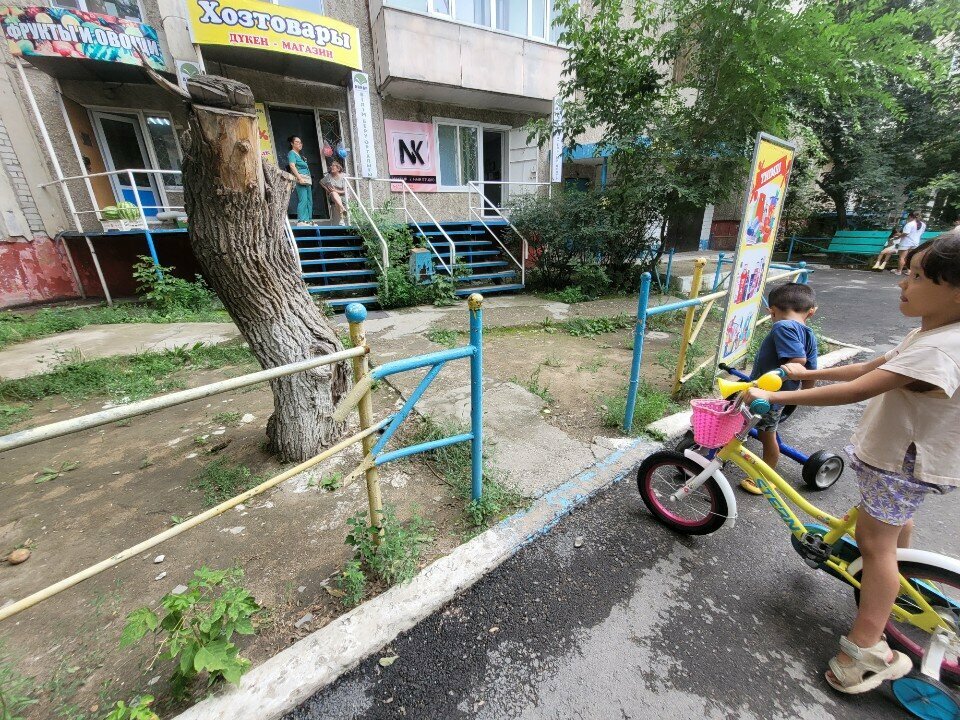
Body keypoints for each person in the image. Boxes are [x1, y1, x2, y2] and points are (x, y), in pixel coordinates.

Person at [746, 231, 960, 695]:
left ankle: (865, 652)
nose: (904, 282)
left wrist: (772, 394)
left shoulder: (940, 348)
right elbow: (866, 368)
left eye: (919, 276)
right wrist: (805, 373)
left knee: (874, 544)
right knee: (893, 535)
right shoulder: (932, 332)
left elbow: (861, 388)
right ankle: (904, 584)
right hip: (910, 462)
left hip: (902, 462)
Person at [738, 283, 818, 494]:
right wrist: (803, 395)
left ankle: (765, 477)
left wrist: (787, 370)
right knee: (758, 425)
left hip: (768, 395)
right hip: (778, 395)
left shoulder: (782, 326)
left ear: (771, 310)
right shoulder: (809, 334)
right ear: (811, 312)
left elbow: (799, 360)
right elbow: (811, 371)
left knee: (767, 434)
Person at [890, 211, 926, 275]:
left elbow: (906, 233)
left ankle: (899, 271)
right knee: (910, 257)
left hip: (906, 242)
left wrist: (898, 237)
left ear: (910, 217)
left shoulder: (910, 224)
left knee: (902, 257)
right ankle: (909, 271)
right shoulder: (923, 224)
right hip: (915, 243)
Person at [287, 136, 313, 224]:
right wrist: (299, 178)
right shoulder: (292, 153)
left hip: (307, 179)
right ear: (292, 143)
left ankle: (309, 220)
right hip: (301, 178)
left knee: (309, 199)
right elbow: (292, 166)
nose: (299, 144)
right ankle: (302, 220)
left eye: (300, 142)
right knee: (303, 199)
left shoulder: (301, 155)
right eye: (297, 142)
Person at [320, 161, 348, 225]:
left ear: (338, 169)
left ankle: (342, 219)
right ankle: (343, 208)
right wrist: (327, 189)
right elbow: (321, 182)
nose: (331, 167)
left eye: (333, 166)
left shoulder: (343, 176)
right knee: (333, 193)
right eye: (331, 166)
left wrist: (336, 191)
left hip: (342, 195)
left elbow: (345, 190)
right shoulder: (328, 176)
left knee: (336, 197)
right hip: (332, 195)